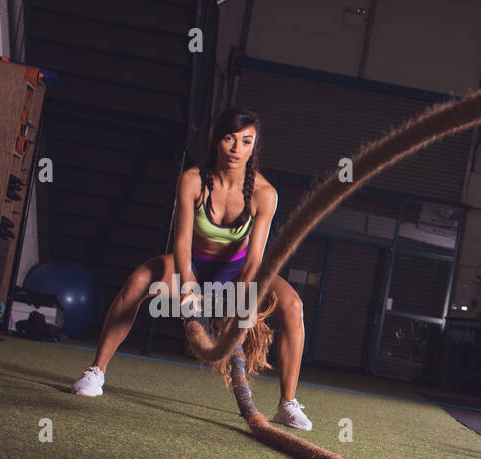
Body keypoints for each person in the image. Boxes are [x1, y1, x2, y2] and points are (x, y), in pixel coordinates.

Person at [71, 107, 312, 430]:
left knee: (294, 306)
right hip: (195, 265)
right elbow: (182, 242)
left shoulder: (265, 194)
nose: (236, 149)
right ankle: (96, 371)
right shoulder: (192, 180)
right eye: (229, 139)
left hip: (238, 272)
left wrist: (245, 301)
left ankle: (287, 403)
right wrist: (187, 288)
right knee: (139, 281)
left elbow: (256, 259)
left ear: (254, 146)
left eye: (246, 141)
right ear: (217, 141)